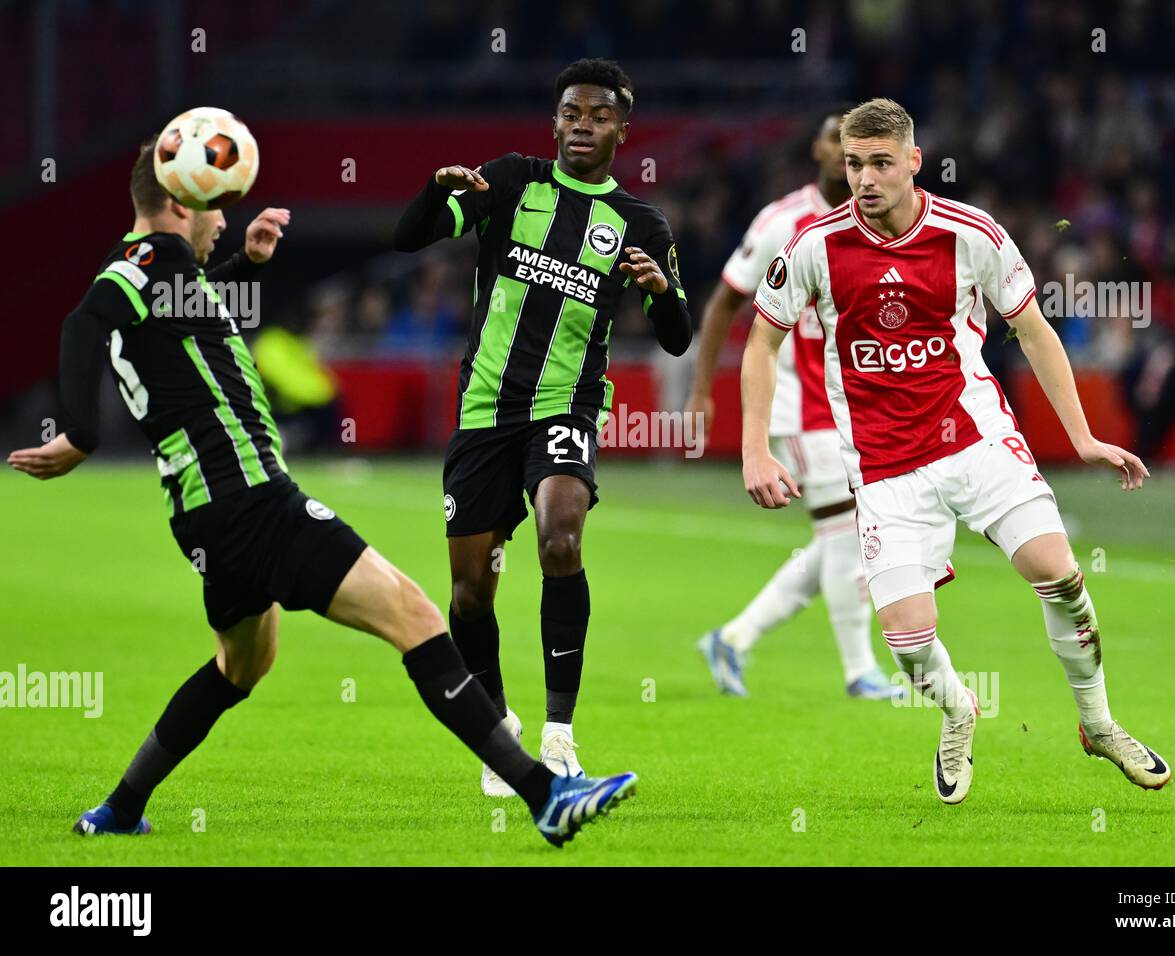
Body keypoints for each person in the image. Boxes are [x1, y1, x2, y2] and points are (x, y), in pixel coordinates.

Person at [7, 137, 635, 847]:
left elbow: (164, 316)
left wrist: (249, 262)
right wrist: (80, 435)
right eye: (216, 206)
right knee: (416, 615)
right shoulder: (148, 262)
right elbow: (83, 320)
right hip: (252, 501)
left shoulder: (160, 280)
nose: (222, 222)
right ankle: (544, 793)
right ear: (179, 200)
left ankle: (119, 809)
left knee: (241, 664)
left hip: (205, 520)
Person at [741, 99, 1171, 805]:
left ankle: (1097, 722)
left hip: (974, 439)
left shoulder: (971, 233)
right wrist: (756, 450)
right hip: (882, 466)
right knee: (908, 641)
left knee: (1058, 572)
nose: (866, 179)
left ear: (913, 162)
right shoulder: (813, 247)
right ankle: (957, 711)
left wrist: (1083, 437)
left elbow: (1032, 330)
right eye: (854, 164)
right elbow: (761, 342)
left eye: (881, 163)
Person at [393, 59, 691, 795]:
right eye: (570, 113)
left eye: (597, 115)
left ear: (623, 128)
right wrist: (434, 193)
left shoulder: (640, 223)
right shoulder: (514, 182)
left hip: (565, 405)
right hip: (484, 410)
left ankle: (560, 734)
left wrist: (659, 293)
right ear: (554, 121)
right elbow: (410, 239)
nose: (581, 125)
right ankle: (499, 730)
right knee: (469, 593)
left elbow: (678, 336)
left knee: (561, 540)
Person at [686, 107, 909, 700]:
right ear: (817, 150)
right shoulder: (783, 221)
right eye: (835, 141)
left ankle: (733, 638)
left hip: (858, 402)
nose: (844, 152)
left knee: (843, 536)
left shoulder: (880, 220)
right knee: (847, 533)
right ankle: (860, 670)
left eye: (856, 144)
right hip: (799, 402)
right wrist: (702, 388)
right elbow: (724, 303)